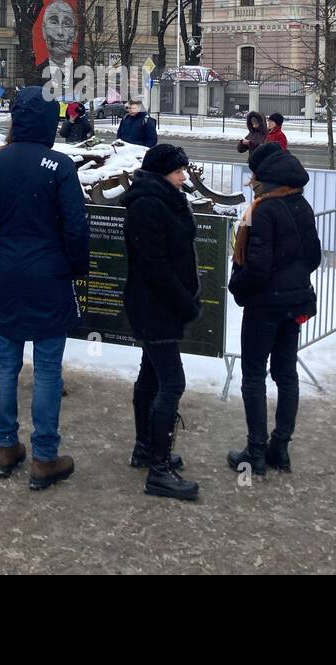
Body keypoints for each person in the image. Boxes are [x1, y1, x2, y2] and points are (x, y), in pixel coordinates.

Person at [0, 86, 90, 489]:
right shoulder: (59, 165)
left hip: (7, 273)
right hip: (50, 275)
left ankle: (5, 446)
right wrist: (76, 267)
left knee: (5, 362)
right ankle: (44, 455)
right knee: (48, 368)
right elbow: (76, 226)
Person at [226, 142, 322, 475]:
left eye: (254, 175)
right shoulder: (301, 204)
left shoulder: (263, 210)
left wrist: (236, 286)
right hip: (293, 303)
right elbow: (314, 257)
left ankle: (256, 452)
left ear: (265, 177)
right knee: (286, 374)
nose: (251, 181)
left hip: (265, 305)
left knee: (253, 376)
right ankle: (279, 447)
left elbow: (257, 268)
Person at [123, 143, 201, 502]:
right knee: (172, 382)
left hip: (159, 304)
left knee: (151, 376)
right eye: (177, 171)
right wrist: (184, 301)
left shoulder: (165, 199)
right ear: (160, 173)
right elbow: (155, 266)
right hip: (156, 306)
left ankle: (145, 448)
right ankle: (158, 469)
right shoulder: (148, 205)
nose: (184, 176)